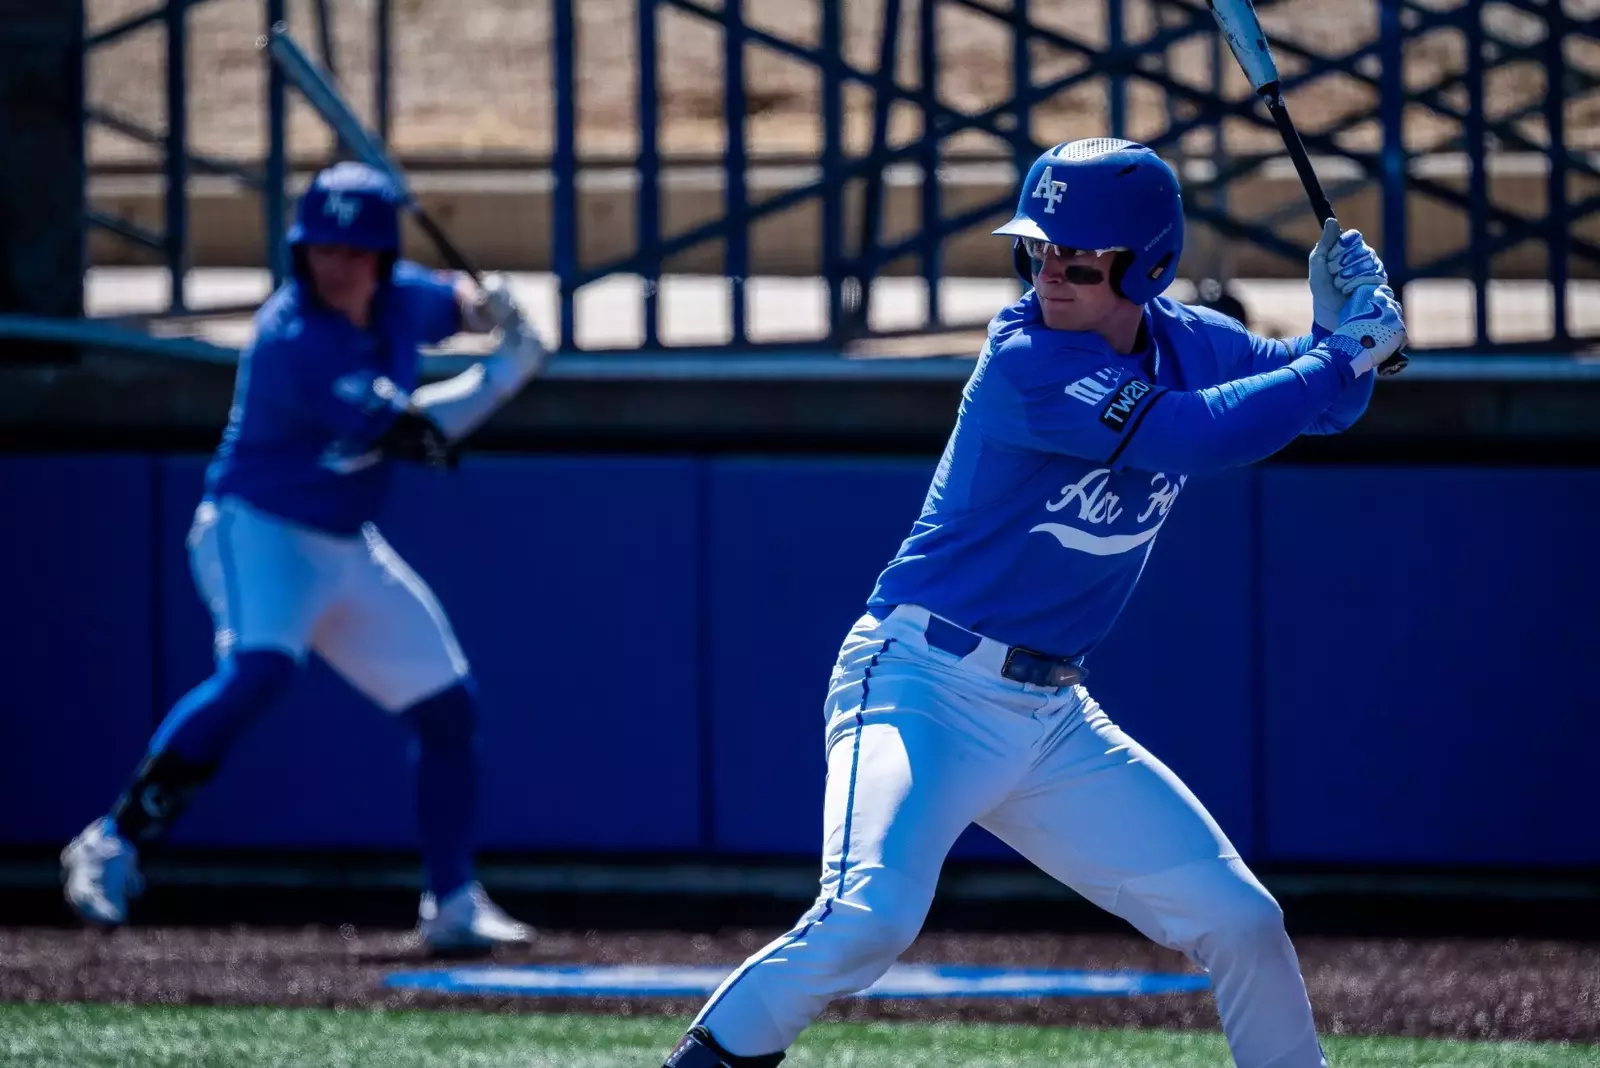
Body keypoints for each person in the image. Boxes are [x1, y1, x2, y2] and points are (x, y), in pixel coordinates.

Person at [660, 138, 1404, 1068]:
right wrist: (1342, 355)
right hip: (920, 683)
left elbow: (1318, 404)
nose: (1051, 273)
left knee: (1241, 919)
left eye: (1080, 260)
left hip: (1050, 716)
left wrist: (1346, 336)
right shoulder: (1027, 356)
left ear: (1151, 267)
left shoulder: (1189, 342)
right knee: (865, 921)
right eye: (1038, 250)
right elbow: (1200, 434)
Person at [60, 160, 551, 953]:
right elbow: (417, 435)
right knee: (261, 670)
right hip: (259, 526)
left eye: (355, 251)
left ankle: (452, 900)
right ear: (301, 252)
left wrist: (491, 300)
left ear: (382, 258)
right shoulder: (294, 336)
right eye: (324, 248)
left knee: (448, 707)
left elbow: (451, 303)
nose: (339, 265)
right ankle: (111, 841)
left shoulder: (397, 299)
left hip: (344, 542)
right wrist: (506, 371)